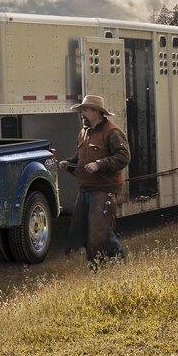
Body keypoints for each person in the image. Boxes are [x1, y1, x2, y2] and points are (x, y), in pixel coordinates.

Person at [59, 94, 131, 264]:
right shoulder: (84, 132)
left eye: (85, 110)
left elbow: (124, 156)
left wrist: (99, 164)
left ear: (96, 112)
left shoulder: (112, 132)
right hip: (86, 188)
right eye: (82, 110)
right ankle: (113, 262)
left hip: (104, 189)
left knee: (99, 232)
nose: (82, 113)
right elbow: (80, 158)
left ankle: (112, 262)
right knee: (86, 230)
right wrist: (69, 164)